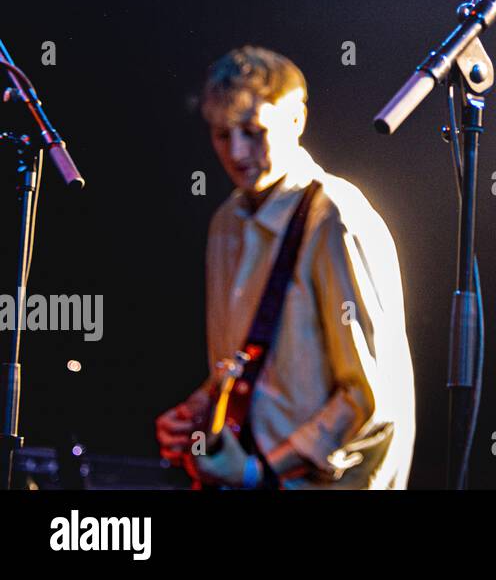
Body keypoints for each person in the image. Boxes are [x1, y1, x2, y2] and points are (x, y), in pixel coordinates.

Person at [155, 46, 416, 489]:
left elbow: (370, 397)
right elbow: (244, 365)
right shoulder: (225, 222)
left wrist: (262, 470)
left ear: (296, 120)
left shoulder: (337, 215)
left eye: (253, 131)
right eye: (222, 134)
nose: (237, 152)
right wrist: (199, 409)